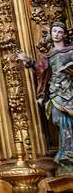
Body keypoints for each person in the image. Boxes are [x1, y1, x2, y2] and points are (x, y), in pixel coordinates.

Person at [18, 22, 73, 172]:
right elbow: (39, 68)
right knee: (58, 120)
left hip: (70, 91)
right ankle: (66, 151)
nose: (56, 34)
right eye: (54, 31)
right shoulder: (49, 55)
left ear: (64, 35)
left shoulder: (71, 51)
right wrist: (27, 60)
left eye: (59, 32)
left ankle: (69, 153)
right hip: (56, 93)